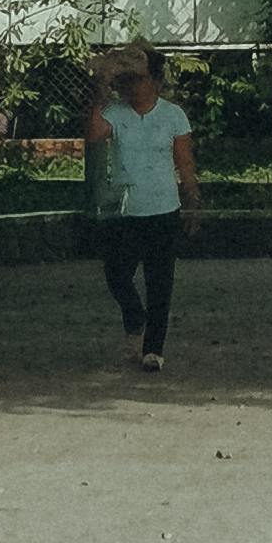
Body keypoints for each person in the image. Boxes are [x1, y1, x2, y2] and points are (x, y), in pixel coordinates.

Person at [85, 44, 201, 372]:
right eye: (127, 81)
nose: (132, 87)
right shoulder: (115, 113)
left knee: (160, 281)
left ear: (156, 81)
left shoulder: (172, 115)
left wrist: (192, 201)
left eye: (138, 80)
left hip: (163, 206)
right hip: (125, 208)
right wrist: (100, 88)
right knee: (117, 273)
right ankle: (135, 315)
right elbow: (94, 136)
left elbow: (185, 162)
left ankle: (153, 347)